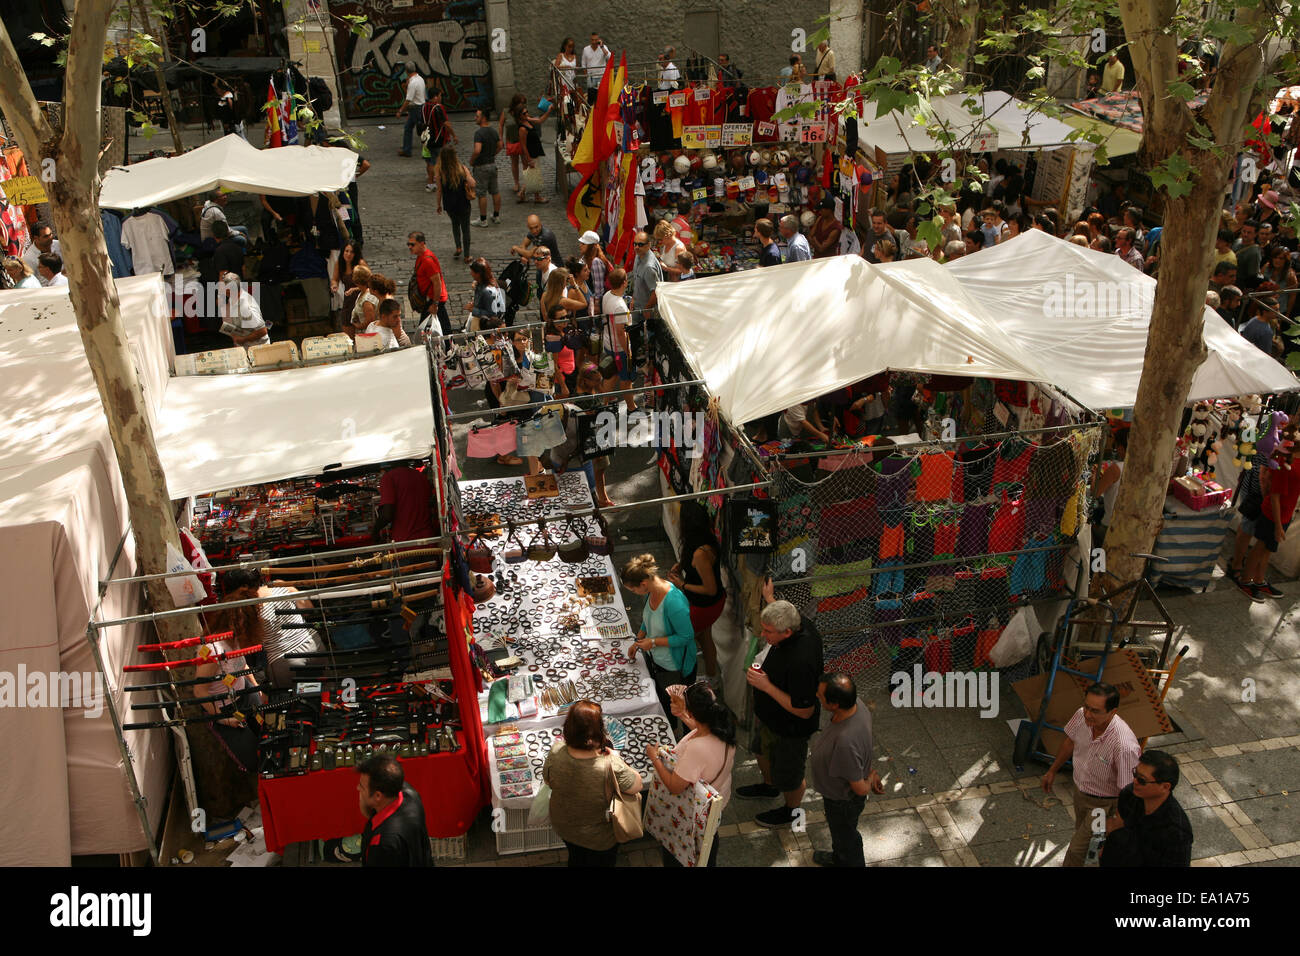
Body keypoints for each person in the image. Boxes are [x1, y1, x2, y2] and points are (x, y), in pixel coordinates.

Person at [739, 600, 823, 829]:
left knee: (790, 775)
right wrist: (769, 598)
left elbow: (805, 711)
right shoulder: (797, 621)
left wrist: (766, 686)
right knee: (760, 750)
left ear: (787, 632)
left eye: (768, 632)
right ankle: (769, 786)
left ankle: (791, 811)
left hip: (790, 728)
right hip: (769, 718)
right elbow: (786, 610)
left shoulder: (801, 661)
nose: (763, 635)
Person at [1041, 681, 1142, 867]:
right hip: (1081, 795)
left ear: (1113, 712)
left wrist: (1117, 821)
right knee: (1089, 847)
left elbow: (1129, 791)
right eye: (1087, 707)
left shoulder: (1124, 745)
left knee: (1076, 851)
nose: (1088, 714)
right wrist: (1052, 770)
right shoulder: (1081, 716)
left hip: (1102, 808)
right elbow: (1069, 742)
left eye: (1095, 711)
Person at [645, 679, 736, 867]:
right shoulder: (724, 728)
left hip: (690, 818)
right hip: (712, 811)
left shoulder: (697, 748)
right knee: (708, 849)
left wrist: (655, 758)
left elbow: (675, 786)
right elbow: (701, 729)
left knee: (681, 858)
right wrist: (684, 715)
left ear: (694, 713)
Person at [543, 699, 643, 866]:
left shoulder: (556, 750)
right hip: (600, 838)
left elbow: (548, 781)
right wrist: (619, 759)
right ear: (598, 731)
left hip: (564, 826)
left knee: (576, 858)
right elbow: (637, 786)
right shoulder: (610, 763)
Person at [810, 673, 881, 867]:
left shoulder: (845, 743)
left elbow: (860, 789)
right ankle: (839, 856)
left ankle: (848, 861)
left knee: (846, 836)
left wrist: (870, 777)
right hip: (840, 796)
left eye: (821, 695)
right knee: (841, 834)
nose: (817, 695)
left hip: (842, 801)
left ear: (834, 705)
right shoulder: (858, 705)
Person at [209, 568, 318, 689]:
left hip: (285, 659)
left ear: (242, 588)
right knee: (319, 693)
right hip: (314, 646)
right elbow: (308, 609)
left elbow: (250, 644)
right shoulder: (281, 586)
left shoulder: (249, 609)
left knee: (294, 702)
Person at [623, 553, 697, 721]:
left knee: (682, 713)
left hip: (676, 668)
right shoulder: (651, 591)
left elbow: (686, 637)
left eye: (633, 590)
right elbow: (648, 619)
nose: (634, 593)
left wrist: (654, 642)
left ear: (643, 584)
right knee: (665, 707)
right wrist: (638, 641)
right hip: (659, 664)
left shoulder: (673, 602)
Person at [1098, 750, 1194, 867]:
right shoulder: (1130, 794)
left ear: (1165, 787)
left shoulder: (1177, 832)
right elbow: (1119, 822)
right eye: (1135, 774)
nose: (1135, 781)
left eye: (1142, 780)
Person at [1238, 427, 1300, 599]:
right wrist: (1278, 525)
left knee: (1267, 549)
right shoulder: (1284, 462)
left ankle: (1259, 579)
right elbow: (1274, 496)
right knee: (1260, 547)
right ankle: (1246, 580)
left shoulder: (1295, 462)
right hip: (1274, 513)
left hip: (1285, 513)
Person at [668, 501, 725, 678]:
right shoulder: (702, 539)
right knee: (704, 636)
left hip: (705, 605)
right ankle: (711, 676)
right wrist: (681, 564)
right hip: (707, 604)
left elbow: (710, 589)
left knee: (682, 639)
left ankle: (687, 679)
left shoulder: (701, 553)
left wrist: (682, 585)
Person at [356, 754, 434, 867]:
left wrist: (363, 803)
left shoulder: (382, 843)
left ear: (378, 796)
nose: (357, 788)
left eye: (361, 786)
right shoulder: (410, 794)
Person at [374, 460, 436, 545]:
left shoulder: (389, 477)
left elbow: (387, 515)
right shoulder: (421, 476)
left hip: (405, 544)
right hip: (429, 540)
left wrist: (375, 531)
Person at [433, 145, 476, 264]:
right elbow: (473, 183)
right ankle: (467, 256)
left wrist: (438, 205)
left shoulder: (440, 172)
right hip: (463, 203)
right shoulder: (462, 169)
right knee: (465, 228)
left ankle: (458, 247)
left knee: (455, 225)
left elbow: (439, 190)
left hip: (449, 204)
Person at [600, 266, 635, 407]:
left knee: (610, 377)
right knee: (626, 381)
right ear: (624, 282)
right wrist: (628, 352)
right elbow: (621, 333)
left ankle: (603, 404)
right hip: (620, 348)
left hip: (609, 343)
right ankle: (632, 408)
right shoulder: (620, 306)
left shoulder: (608, 295)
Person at [408, 231, 450, 336]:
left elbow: (437, 282)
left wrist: (435, 304)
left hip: (433, 300)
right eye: (408, 244)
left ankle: (448, 347)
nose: (409, 247)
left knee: (427, 328)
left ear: (421, 243)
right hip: (431, 300)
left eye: (412, 244)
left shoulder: (428, 261)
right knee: (442, 327)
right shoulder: (421, 257)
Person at [630, 230, 661, 366]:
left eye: (640, 244)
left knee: (649, 338)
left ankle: (649, 364)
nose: (637, 247)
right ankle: (640, 359)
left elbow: (655, 292)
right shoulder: (639, 256)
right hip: (638, 305)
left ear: (648, 245)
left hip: (647, 310)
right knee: (637, 335)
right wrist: (633, 298)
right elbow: (636, 280)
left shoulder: (649, 267)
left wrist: (647, 309)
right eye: (635, 244)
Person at [217, 271, 269, 347]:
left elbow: (262, 331)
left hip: (257, 349)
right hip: (244, 346)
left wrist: (243, 340)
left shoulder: (246, 307)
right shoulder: (233, 295)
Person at [469, 108, 502, 227]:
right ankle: (496, 215)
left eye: (477, 116)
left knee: (481, 194)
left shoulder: (479, 133)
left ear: (483, 117)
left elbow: (477, 150)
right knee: (495, 191)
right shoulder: (493, 131)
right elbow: (500, 146)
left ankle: (483, 219)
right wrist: (492, 154)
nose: (475, 118)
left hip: (481, 166)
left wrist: (472, 160)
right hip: (492, 165)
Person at [395, 62, 426, 157]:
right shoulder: (420, 79)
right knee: (412, 128)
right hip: (420, 106)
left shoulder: (413, 83)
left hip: (415, 108)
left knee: (419, 130)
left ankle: (409, 150)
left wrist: (400, 111)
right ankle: (406, 149)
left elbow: (408, 99)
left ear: (406, 71)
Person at [467, 258, 506, 330]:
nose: (470, 273)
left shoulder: (487, 292)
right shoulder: (480, 283)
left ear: (478, 274)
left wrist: (473, 309)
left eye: (472, 271)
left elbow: (492, 314)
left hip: (486, 326)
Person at [581, 32, 612, 101]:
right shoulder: (586, 49)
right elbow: (583, 64)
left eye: (596, 40)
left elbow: (609, 57)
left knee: (602, 97)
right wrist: (587, 75)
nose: (594, 42)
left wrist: (602, 47)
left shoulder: (603, 48)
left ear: (598, 40)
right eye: (592, 40)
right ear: (590, 40)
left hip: (601, 76)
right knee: (591, 98)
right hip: (591, 77)